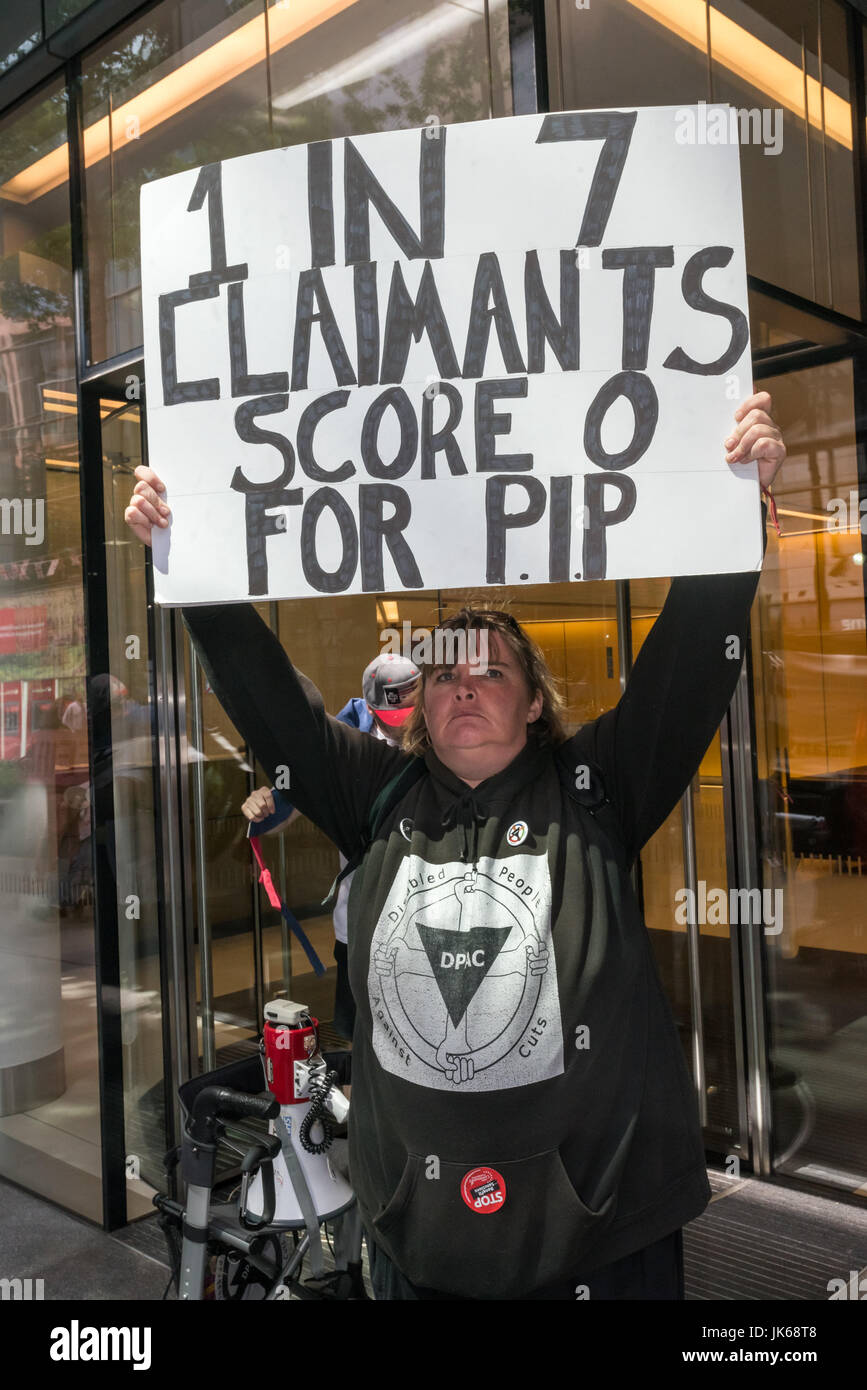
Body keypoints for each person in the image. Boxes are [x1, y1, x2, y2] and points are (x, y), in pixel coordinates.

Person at [126, 391, 786, 1301]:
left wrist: (732, 515)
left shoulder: (599, 787)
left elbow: (684, 669)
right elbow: (269, 697)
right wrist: (188, 552)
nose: (464, 687)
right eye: (443, 673)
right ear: (420, 709)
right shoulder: (375, 791)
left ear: (535, 703)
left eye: (491, 670)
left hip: (600, 1233)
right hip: (416, 1233)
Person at [241, 652, 420, 1040]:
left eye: (411, 714)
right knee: (360, 1035)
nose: (402, 728)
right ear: (371, 709)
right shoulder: (342, 747)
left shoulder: (446, 741)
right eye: (391, 720)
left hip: (427, 923)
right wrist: (265, 805)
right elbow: (292, 801)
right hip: (360, 923)